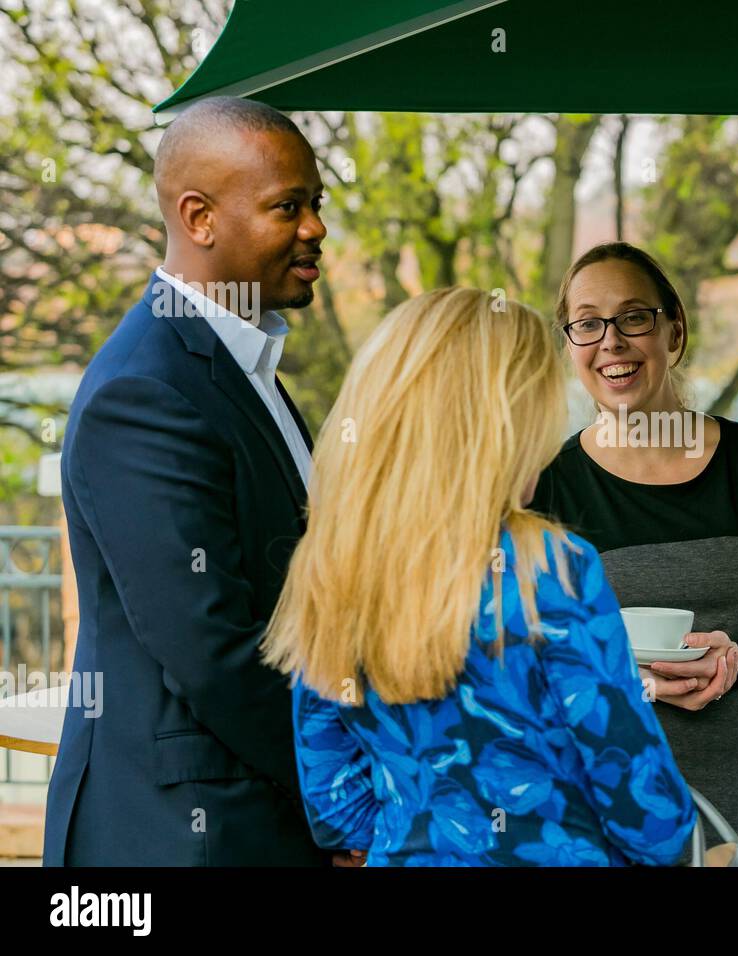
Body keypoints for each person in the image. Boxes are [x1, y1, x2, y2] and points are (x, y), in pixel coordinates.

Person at [262, 287, 697, 866]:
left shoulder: (331, 567)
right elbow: (651, 815)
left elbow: (334, 804)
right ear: (504, 422)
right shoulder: (550, 567)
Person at [45, 97, 346, 865]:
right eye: (289, 206)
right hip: (183, 837)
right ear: (199, 218)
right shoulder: (144, 391)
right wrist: (345, 796)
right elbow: (215, 653)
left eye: (316, 204)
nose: (315, 227)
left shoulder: (244, 368)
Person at [532, 242, 738, 866]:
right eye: (587, 323)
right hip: (611, 817)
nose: (610, 341)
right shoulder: (547, 489)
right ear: (570, 344)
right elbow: (526, 668)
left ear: (674, 330)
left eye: (633, 318)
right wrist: (622, 678)